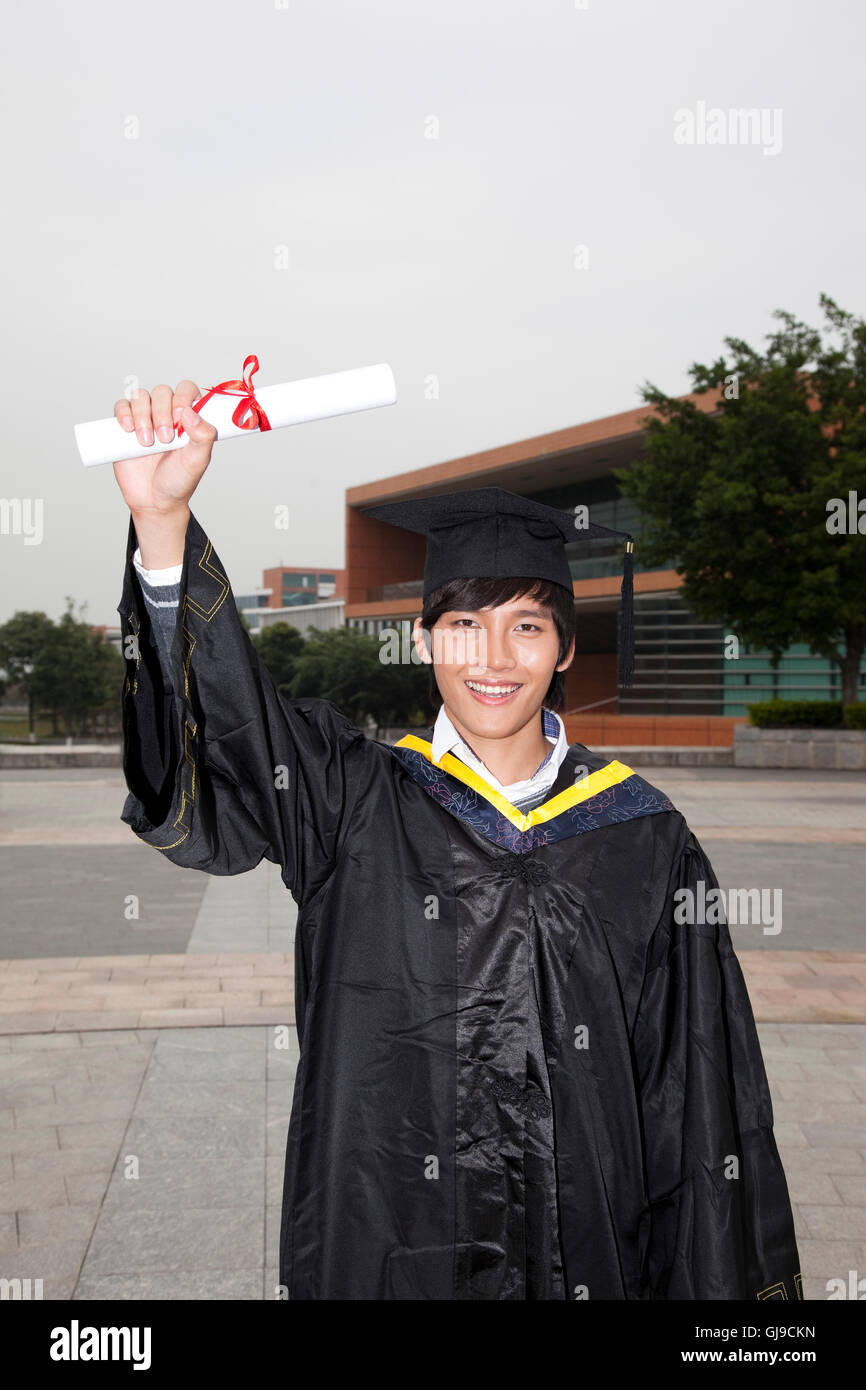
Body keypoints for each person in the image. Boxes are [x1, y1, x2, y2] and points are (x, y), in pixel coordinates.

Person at [111, 379, 802, 1302]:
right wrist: (164, 522)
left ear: (563, 650)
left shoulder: (645, 838)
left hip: (591, 1257)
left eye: (527, 626)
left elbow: (701, 1091)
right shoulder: (353, 798)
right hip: (391, 1244)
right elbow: (228, 719)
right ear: (426, 639)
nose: (493, 657)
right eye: (464, 624)